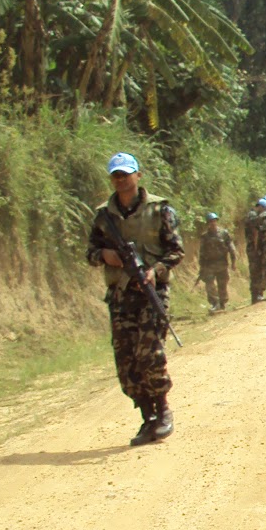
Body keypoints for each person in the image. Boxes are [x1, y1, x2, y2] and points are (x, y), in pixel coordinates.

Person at [86, 152, 184, 446]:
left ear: (138, 175)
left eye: (126, 174)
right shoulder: (104, 215)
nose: (120, 179)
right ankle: (147, 417)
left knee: (150, 353)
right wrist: (105, 255)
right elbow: (90, 251)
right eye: (116, 174)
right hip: (119, 295)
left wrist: (156, 271)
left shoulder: (160, 210)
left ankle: (163, 410)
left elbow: (176, 251)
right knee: (126, 362)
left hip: (151, 292)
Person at [196, 212, 237, 311]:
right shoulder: (204, 236)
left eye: (214, 221)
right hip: (209, 264)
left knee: (222, 284)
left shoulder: (224, 233)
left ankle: (222, 302)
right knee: (209, 284)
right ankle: (215, 303)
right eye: (210, 222)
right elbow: (201, 252)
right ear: (207, 223)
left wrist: (233, 262)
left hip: (222, 263)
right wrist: (201, 266)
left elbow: (231, 248)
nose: (213, 223)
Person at [245, 197, 266, 303]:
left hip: (253, 247)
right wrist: (257, 247)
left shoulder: (252, 215)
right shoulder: (253, 216)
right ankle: (255, 295)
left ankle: (257, 294)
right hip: (254, 248)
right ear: (260, 207)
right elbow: (255, 233)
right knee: (255, 271)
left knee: (257, 271)